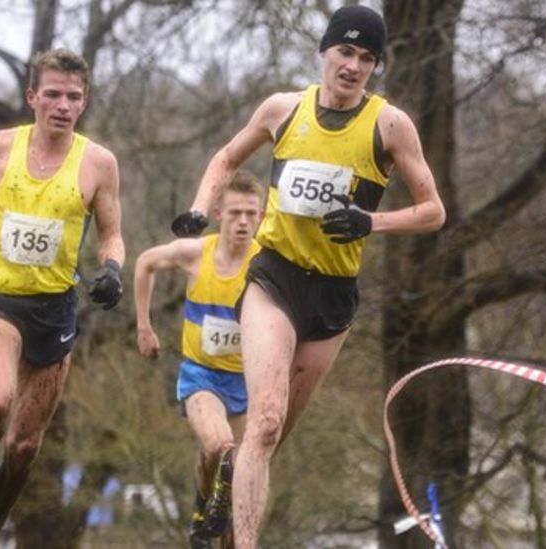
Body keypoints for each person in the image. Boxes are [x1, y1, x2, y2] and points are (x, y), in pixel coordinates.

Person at [170, 5, 446, 548]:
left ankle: (224, 505)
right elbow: (226, 158)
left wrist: (372, 221)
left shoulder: (389, 125)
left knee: (265, 442)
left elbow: (433, 210)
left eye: (367, 58)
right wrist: (201, 208)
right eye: (345, 52)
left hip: (333, 299)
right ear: (324, 52)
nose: (353, 66)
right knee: (265, 422)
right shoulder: (283, 109)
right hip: (274, 280)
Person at [0, 48, 125, 549]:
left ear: (83, 102)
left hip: (54, 309)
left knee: (23, 447)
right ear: (33, 97)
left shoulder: (99, 163)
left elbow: (112, 235)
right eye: (54, 94)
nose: (64, 105)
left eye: (74, 96)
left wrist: (112, 270)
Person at [135, 173, 264, 548]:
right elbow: (144, 263)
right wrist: (144, 326)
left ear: (260, 218)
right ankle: (201, 506)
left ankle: (210, 520)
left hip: (247, 381)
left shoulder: (268, 262)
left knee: (238, 482)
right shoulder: (196, 254)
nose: (243, 222)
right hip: (201, 375)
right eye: (236, 213)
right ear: (219, 214)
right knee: (219, 446)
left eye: (251, 214)